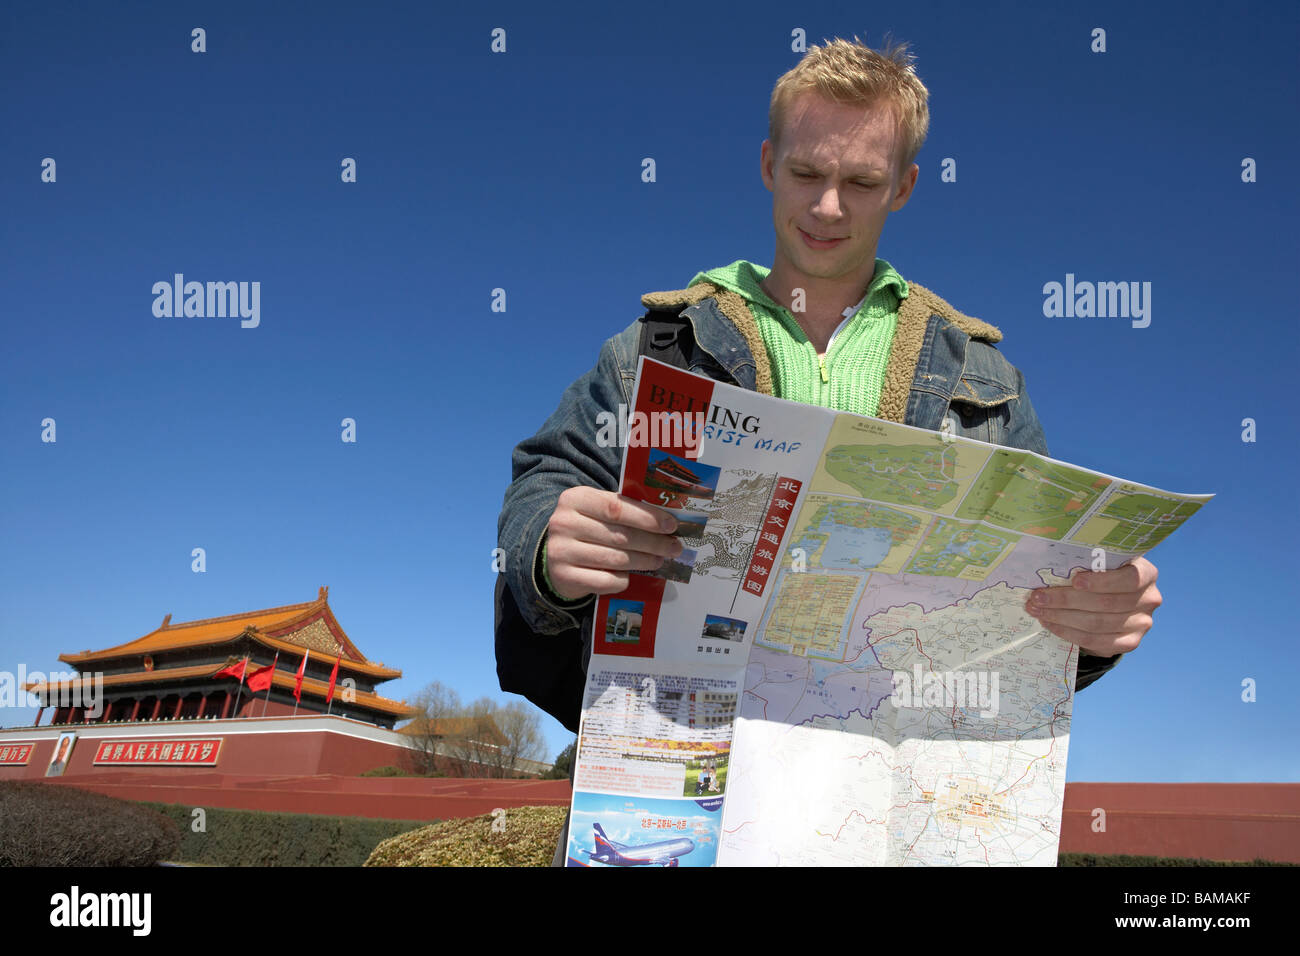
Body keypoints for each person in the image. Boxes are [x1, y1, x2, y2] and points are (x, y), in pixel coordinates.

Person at [496, 35, 1164, 863]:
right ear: (769, 164)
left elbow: (1028, 600)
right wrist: (543, 549)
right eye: (807, 174)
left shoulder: (984, 376)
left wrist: (1093, 626)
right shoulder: (657, 348)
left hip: (891, 802)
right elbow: (548, 481)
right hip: (680, 785)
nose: (828, 208)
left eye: (861, 183)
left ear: (907, 188)